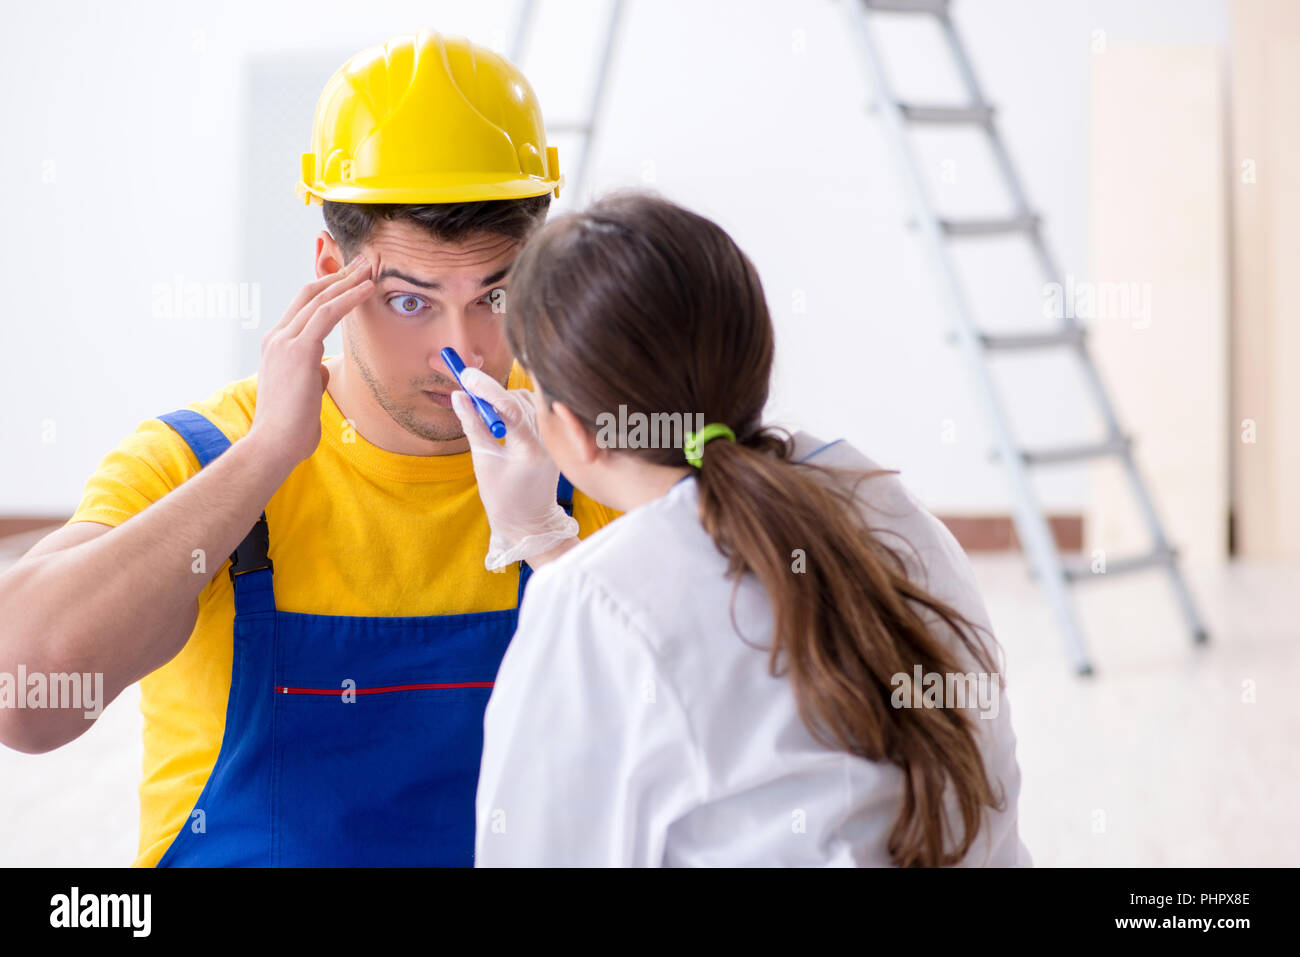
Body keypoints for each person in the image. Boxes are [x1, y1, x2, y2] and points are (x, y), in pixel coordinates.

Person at [0, 30, 617, 866]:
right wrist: (264, 459)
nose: (463, 351)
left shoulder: (597, 462)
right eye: (410, 302)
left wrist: (553, 545)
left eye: (495, 295)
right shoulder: (200, 454)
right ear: (331, 269)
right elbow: (26, 702)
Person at [457, 191, 1033, 866]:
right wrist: (549, 543)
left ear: (571, 430)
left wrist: (542, 542)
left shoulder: (587, 607)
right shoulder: (887, 506)